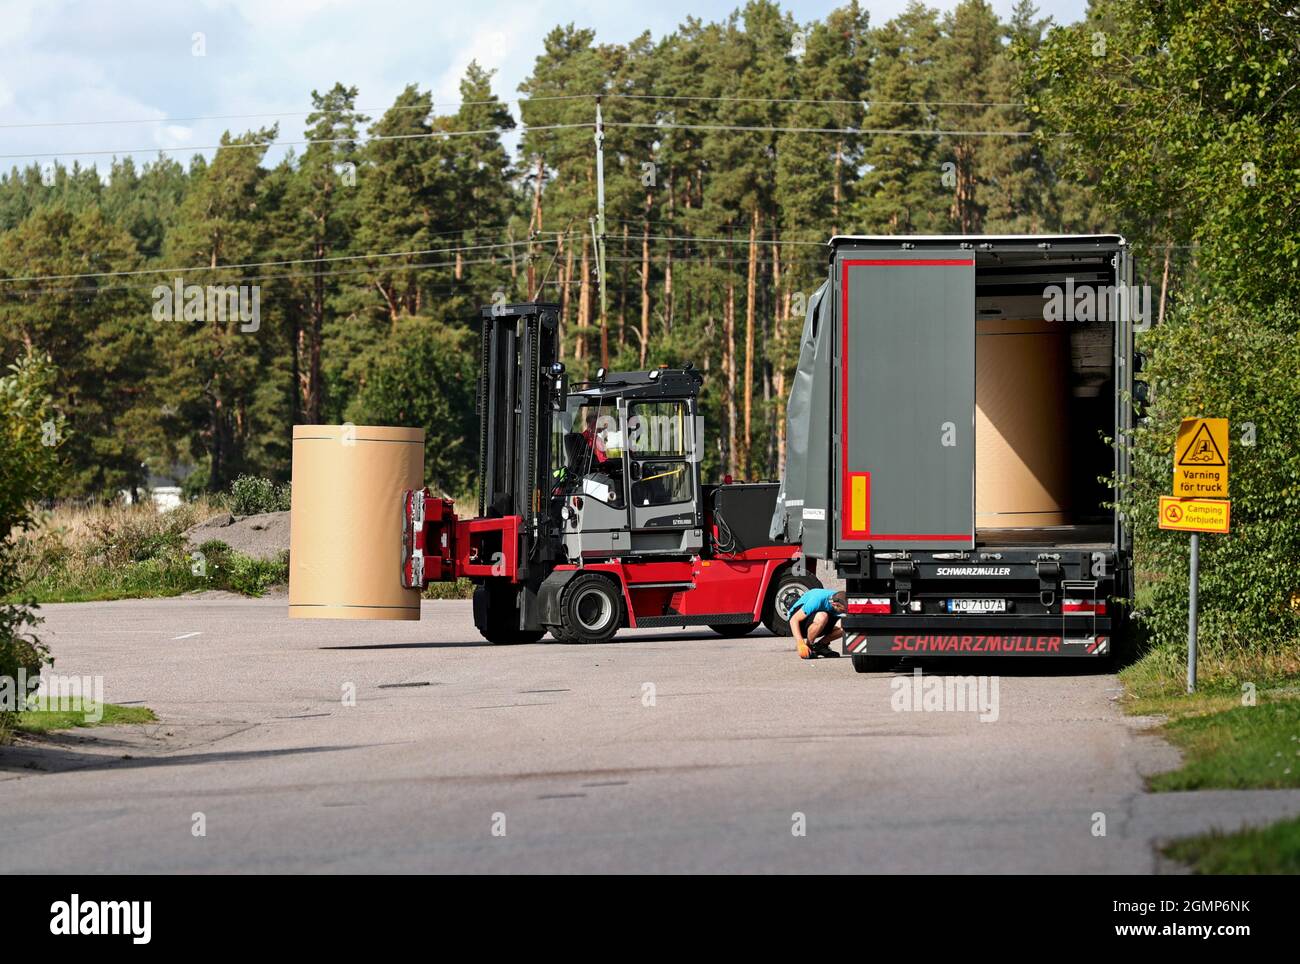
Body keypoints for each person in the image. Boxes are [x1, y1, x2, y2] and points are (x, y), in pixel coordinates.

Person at [789, 588, 846, 660]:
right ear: (835, 605)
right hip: (798, 622)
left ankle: (820, 646)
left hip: (821, 621)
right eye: (843, 610)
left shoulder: (841, 598)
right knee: (822, 616)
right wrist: (800, 643)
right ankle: (809, 647)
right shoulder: (817, 600)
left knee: (847, 624)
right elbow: (794, 620)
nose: (845, 612)